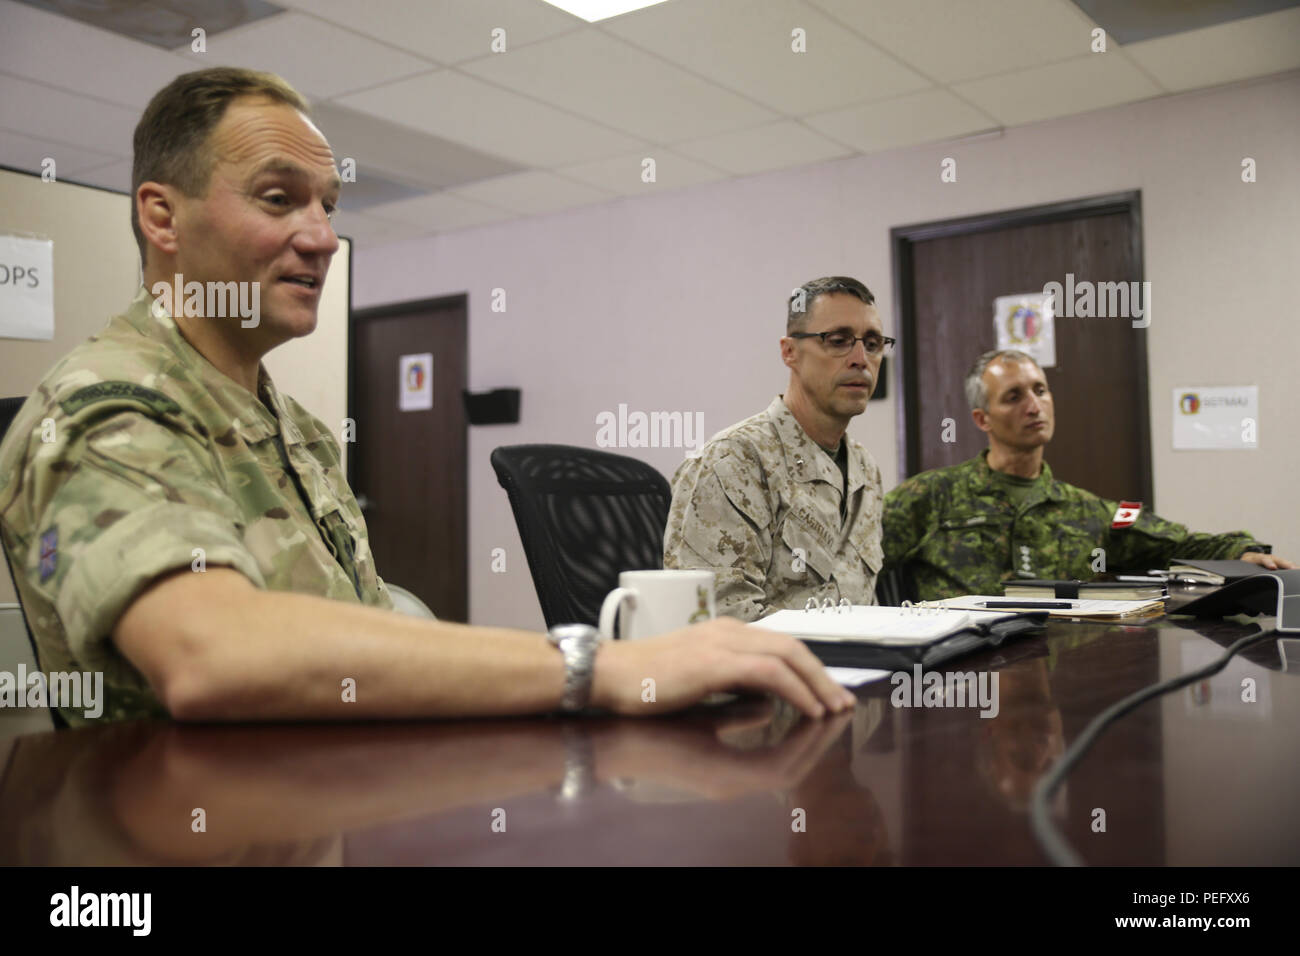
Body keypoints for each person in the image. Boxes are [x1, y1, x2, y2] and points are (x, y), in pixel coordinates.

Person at [0, 68, 854, 727]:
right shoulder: (104, 406)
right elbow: (211, 656)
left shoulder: (287, 424)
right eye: (278, 199)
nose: (323, 238)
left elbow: (365, 635)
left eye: (329, 207)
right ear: (162, 219)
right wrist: (596, 669)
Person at [882, 349, 1294, 600]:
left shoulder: (1095, 511)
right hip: (960, 688)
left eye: (1040, 390)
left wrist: (1240, 551)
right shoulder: (928, 497)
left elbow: (1174, 539)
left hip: (1061, 677)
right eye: (1014, 396)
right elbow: (855, 562)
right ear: (982, 419)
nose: (1033, 406)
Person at [664, 276, 889, 621]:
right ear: (790, 352)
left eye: (873, 344)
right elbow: (721, 620)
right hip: (770, 671)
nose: (861, 358)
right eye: (839, 341)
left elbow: (862, 605)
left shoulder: (865, 468)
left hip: (861, 668)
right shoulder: (735, 460)